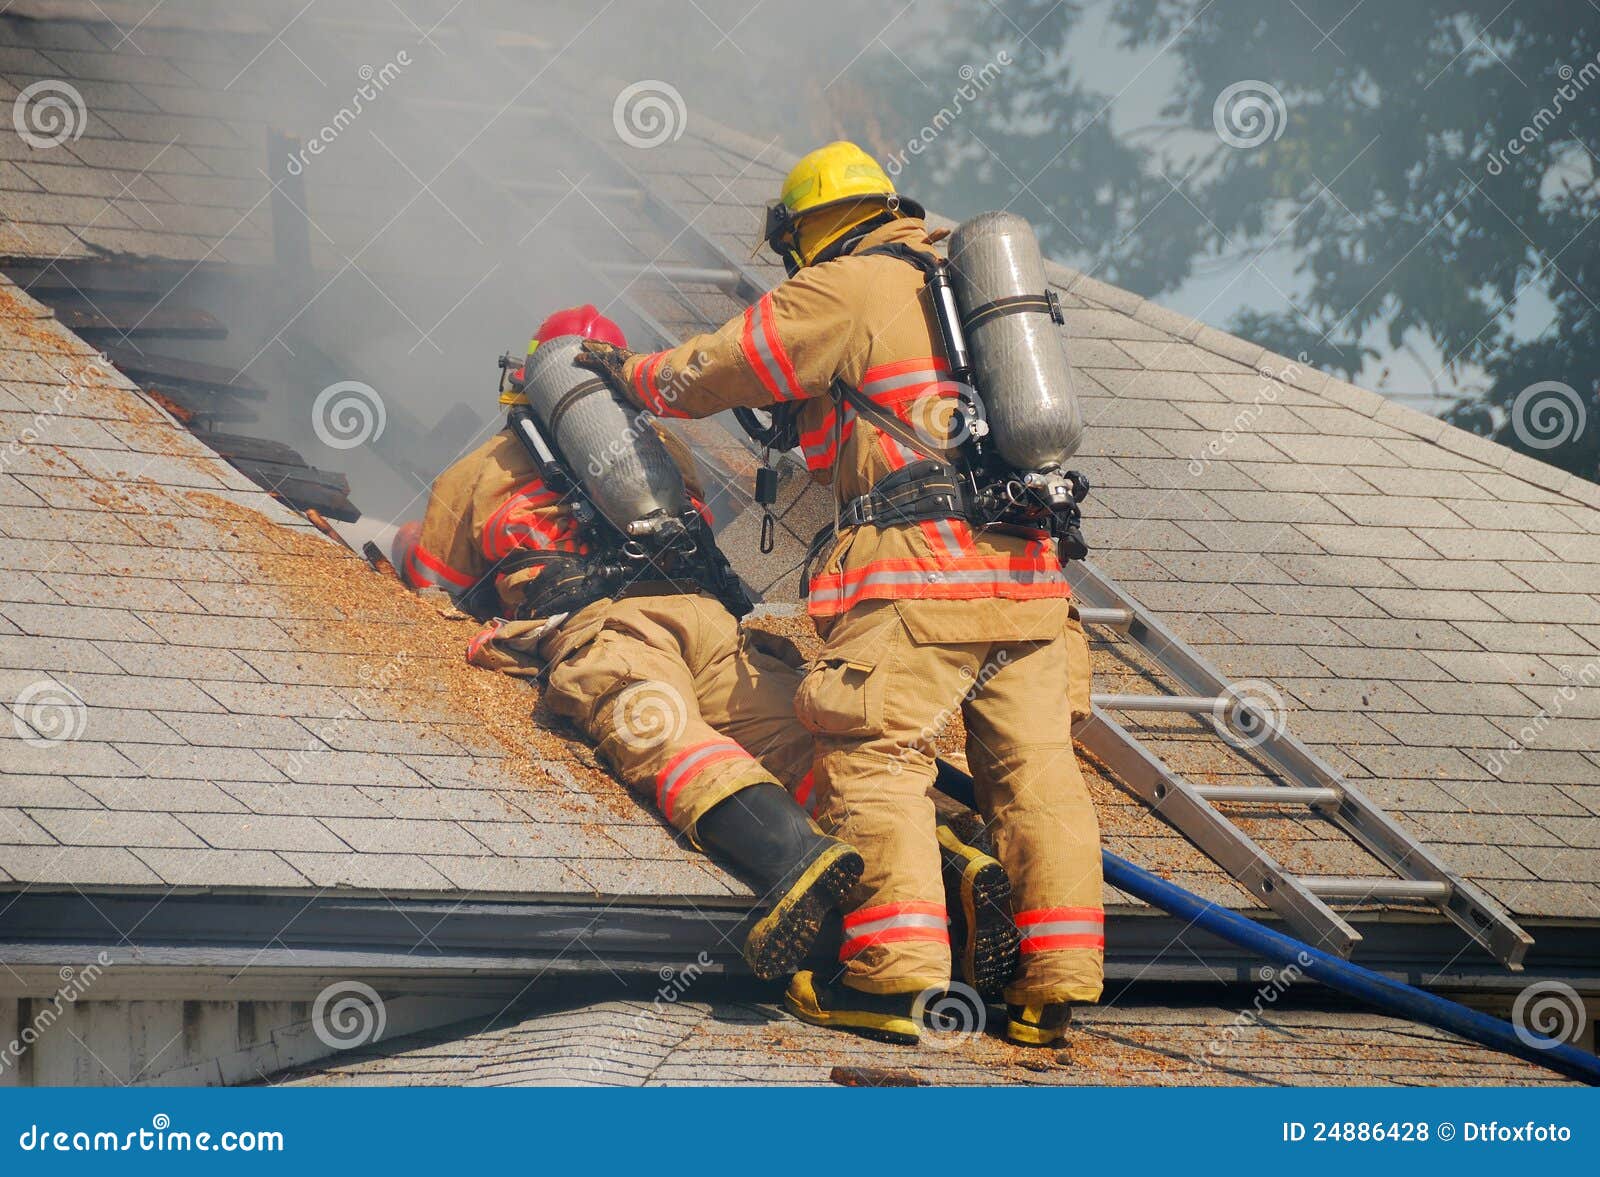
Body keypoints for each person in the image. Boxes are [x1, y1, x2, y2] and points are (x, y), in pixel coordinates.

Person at [577, 143, 1103, 1047]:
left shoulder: (850, 283)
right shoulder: (958, 294)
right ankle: (1049, 989)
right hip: (1029, 580)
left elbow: (717, 367)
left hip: (923, 576)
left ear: (806, 229)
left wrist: (628, 375)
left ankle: (892, 981)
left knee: (871, 753)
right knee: (1036, 773)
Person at [397, 305, 863, 983]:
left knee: (662, 728)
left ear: (528, 384)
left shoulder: (479, 470)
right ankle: (948, 849)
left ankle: (790, 858)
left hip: (611, 627)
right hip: (707, 620)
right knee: (801, 739)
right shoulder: (663, 453)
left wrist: (406, 543)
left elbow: (431, 587)